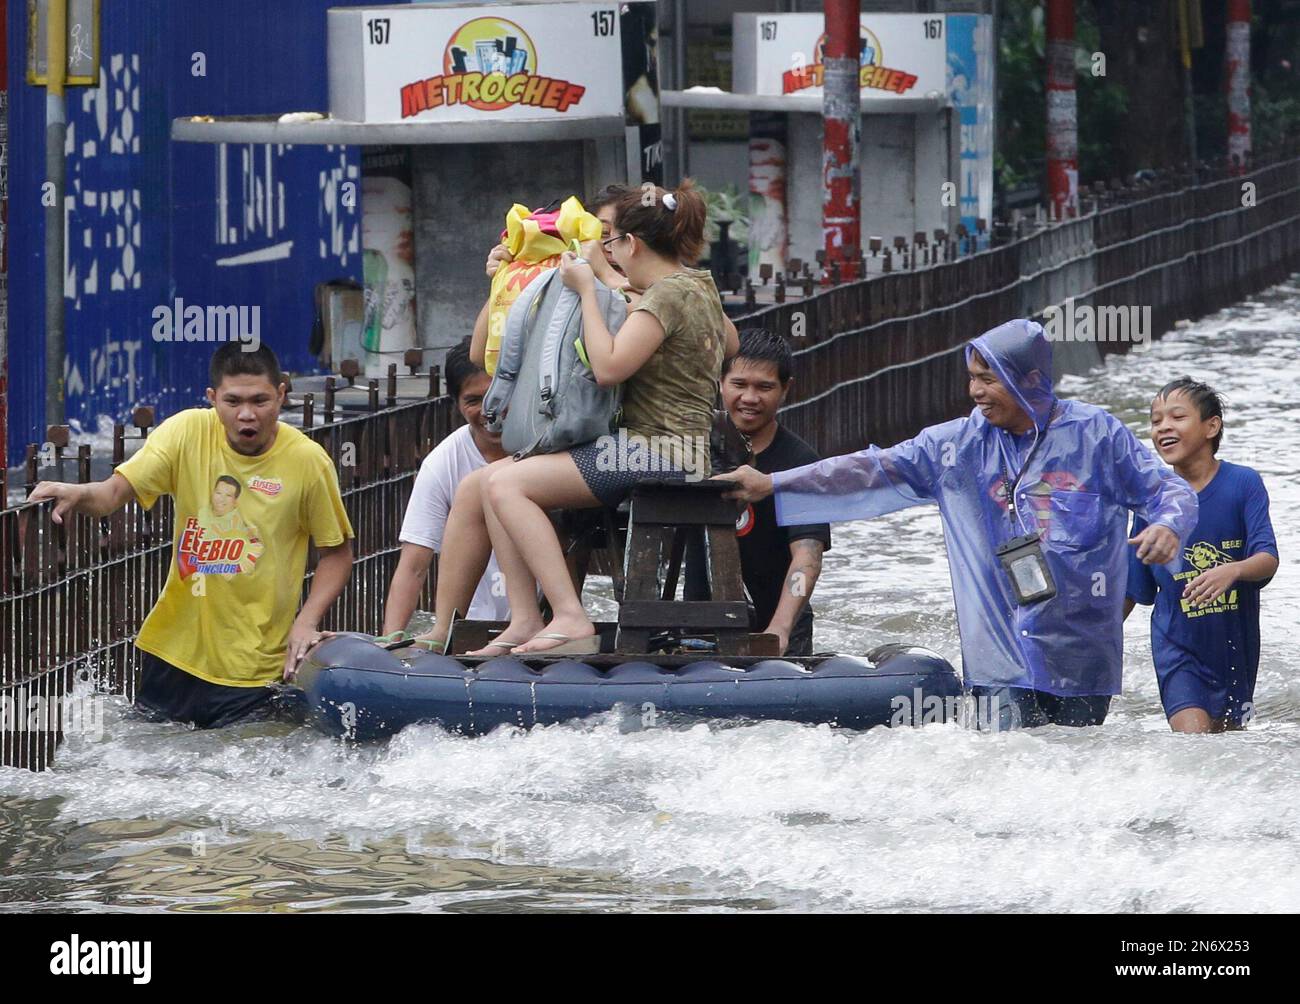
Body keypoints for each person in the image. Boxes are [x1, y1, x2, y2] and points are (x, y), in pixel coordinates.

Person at [714, 318, 1199, 730]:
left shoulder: (1098, 436)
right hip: (997, 656)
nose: (975, 392)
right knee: (1004, 776)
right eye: (971, 377)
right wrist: (774, 484)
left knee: (1074, 776)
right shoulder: (955, 447)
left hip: (1081, 657)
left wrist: (1169, 525)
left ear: (1030, 379)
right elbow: (871, 468)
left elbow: (1168, 490)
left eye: (989, 379)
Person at [469, 179, 739, 656]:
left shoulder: (665, 295)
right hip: (674, 448)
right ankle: (526, 619)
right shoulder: (697, 285)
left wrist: (590, 294)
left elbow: (608, 368)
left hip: (658, 451)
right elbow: (731, 344)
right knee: (496, 478)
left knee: (504, 485)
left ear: (631, 243)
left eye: (611, 240)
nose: (607, 251)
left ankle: (569, 617)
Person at [30, 343, 354, 728]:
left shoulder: (307, 462)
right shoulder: (186, 432)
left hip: (254, 673)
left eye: (260, 401)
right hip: (171, 656)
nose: (247, 415)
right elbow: (112, 494)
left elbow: (336, 552)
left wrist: (306, 621)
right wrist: (79, 492)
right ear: (212, 399)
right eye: (233, 401)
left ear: (282, 395)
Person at [1124, 378, 1278, 733]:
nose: (1163, 427)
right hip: (1176, 646)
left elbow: (1267, 558)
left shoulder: (1243, 484)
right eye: (1156, 420)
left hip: (1235, 646)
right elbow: (1135, 590)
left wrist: (1233, 571)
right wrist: (1084, 640)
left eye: (1177, 417)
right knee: (1192, 739)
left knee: (1226, 749)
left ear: (1212, 426)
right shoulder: (1151, 501)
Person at [380, 336, 510, 648]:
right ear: (456, 403)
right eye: (473, 400)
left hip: (539, 624)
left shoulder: (546, 451)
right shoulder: (442, 463)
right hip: (470, 623)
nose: (489, 410)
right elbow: (413, 566)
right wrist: (389, 640)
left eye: (499, 395)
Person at [716, 329, 831, 657]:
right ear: (720, 383)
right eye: (739, 385)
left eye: (764, 387)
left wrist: (778, 631)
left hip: (780, 627)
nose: (750, 398)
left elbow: (807, 557)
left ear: (786, 390)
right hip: (704, 626)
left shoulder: (800, 463)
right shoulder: (693, 452)